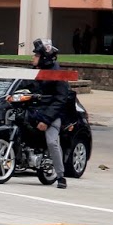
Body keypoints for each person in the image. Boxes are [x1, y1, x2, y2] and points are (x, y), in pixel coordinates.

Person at [29, 38, 72, 190]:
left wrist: (46, 120)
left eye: (36, 55)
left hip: (51, 116)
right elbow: (24, 86)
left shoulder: (57, 75)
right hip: (34, 111)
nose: (33, 58)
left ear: (45, 58)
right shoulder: (35, 72)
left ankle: (60, 176)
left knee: (52, 142)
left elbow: (60, 100)